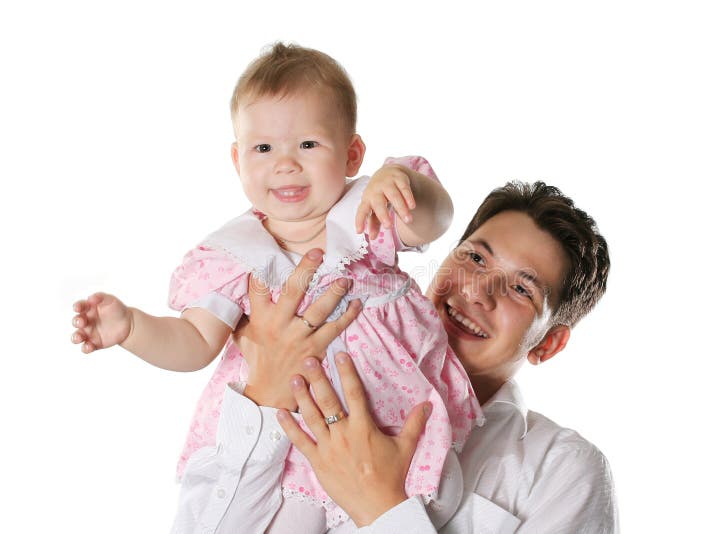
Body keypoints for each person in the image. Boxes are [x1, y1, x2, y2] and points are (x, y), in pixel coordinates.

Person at [69, 43, 482, 530]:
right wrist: (132, 327)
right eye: (263, 148)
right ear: (237, 159)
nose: (285, 164)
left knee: (427, 502)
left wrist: (403, 182)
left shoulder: (369, 216)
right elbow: (195, 343)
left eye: (308, 145)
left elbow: (434, 221)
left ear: (352, 153)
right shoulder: (234, 256)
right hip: (286, 445)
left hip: (388, 430)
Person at [171, 181, 618, 532]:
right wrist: (266, 397)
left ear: (549, 343)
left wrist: (379, 504)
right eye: (476, 258)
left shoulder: (562, 469)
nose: (477, 292)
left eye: (522, 288)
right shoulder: (312, 364)